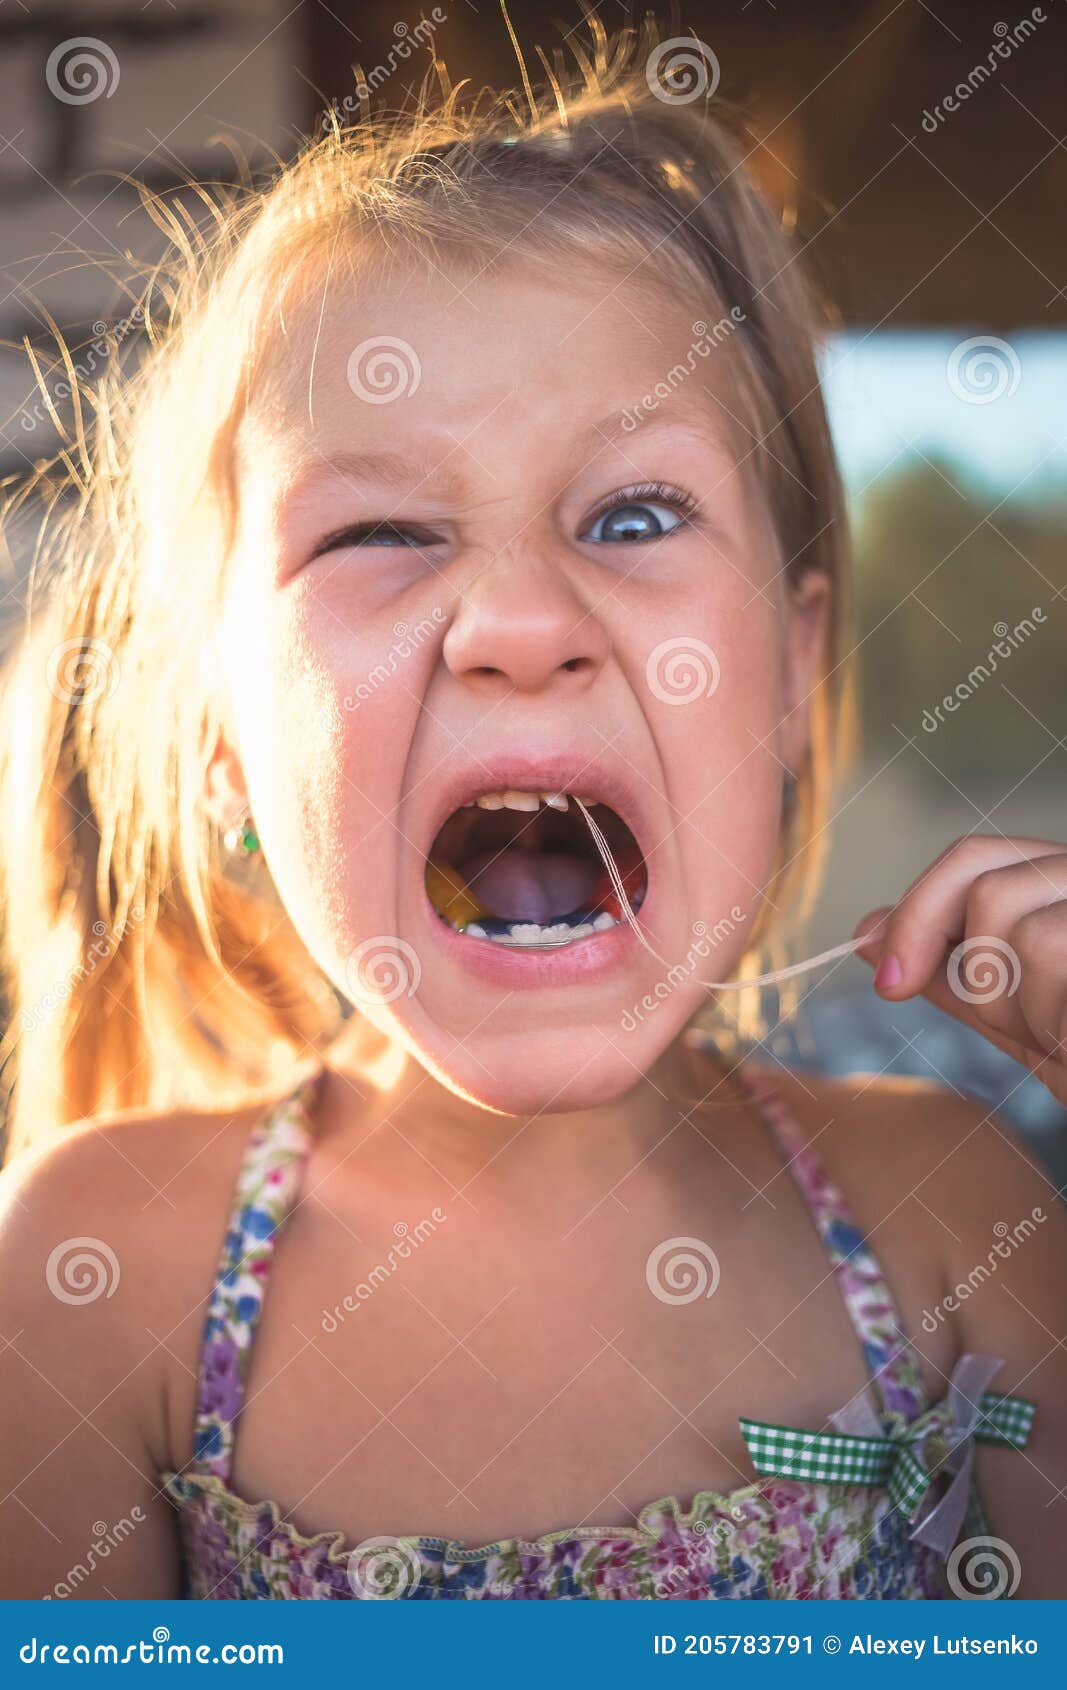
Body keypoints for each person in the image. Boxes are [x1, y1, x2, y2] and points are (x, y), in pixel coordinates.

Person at [0, 26, 1064, 1601]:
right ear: (220, 737)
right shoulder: (98, 1268)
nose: (518, 620)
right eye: (380, 529)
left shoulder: (956, 1209)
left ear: (789, 668)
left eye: (632, 514)